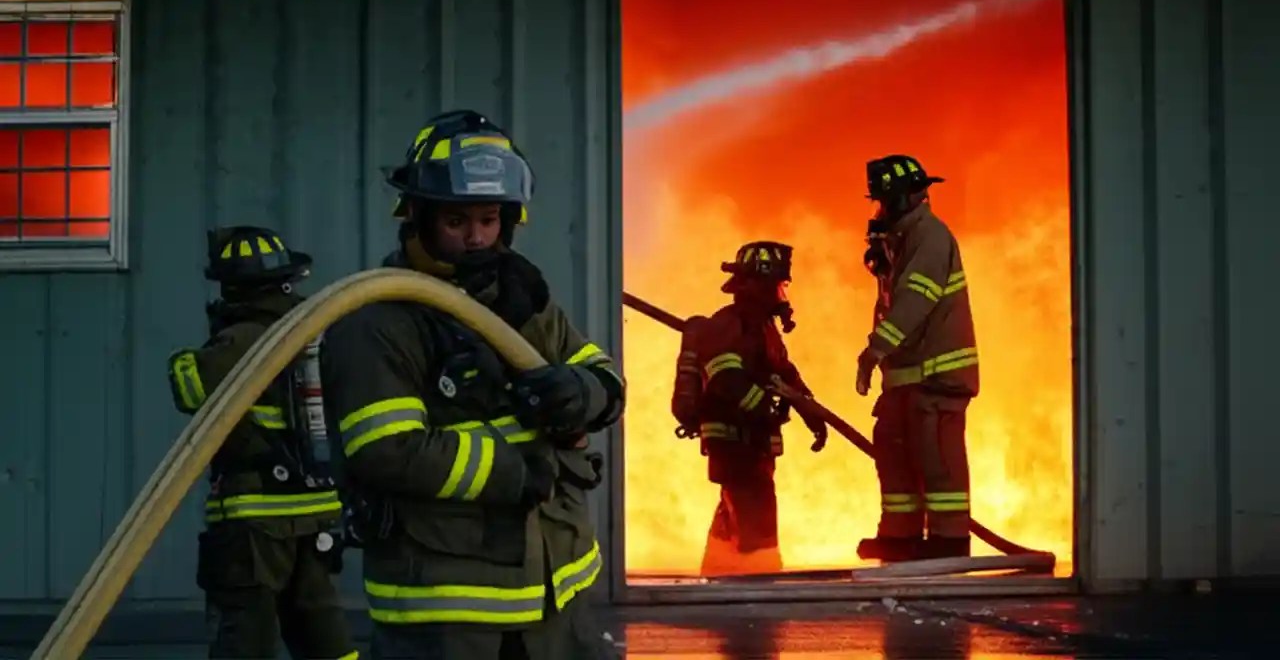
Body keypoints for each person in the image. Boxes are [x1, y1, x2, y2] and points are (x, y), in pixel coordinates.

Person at [318, 109, 625, 659]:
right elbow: (385, 450)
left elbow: (601, 372)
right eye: (457, 222)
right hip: (451, 606)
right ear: (420, 216)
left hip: (559, 595)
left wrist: (581, 393)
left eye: (489, 219)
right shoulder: (377, 319)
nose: (477, 238)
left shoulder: (524, 298)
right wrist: (519, 466)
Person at [165, 226, 357, 660]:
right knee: (320, 626)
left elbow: (192, 389)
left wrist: (181, 361)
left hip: (254, 518)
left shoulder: (246, 336)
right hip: (314, 513)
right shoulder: (311, 329)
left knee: (246, 637)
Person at [669, 241, 827, 576]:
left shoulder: (763, 329)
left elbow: (785, 373)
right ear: (756, 284)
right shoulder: (728, 325)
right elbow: (726, 380)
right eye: (777, 285)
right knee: (756, 515)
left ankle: (719, 573)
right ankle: (760, 582)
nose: (781, 293)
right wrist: (765, 412)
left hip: (751, 445)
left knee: (733, 514)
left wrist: (811, 413)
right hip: (735, 442)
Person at [853, 154, 979, 562]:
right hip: (906, 377)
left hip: (937, 376)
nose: (879, 211)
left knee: (936, 459)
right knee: (893, 452)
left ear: (902, 200)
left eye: (884, 202)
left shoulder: (930, 237)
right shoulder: (901, 241)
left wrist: (876, 349)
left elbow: (914, 300)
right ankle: (901, 535)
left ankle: (949, 539)